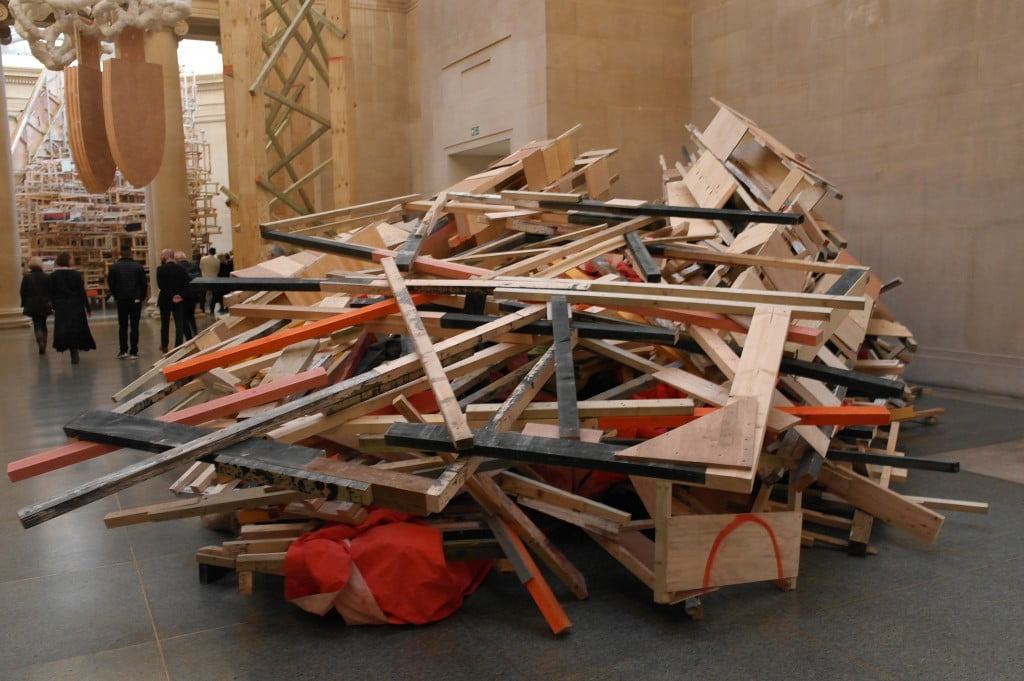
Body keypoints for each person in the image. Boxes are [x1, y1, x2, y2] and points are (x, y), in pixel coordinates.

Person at [50, 252, 96, 364]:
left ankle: (68, 347)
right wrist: (88, 308)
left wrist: (54, 306)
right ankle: (75, 350)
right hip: (76, 305)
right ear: (68, 260)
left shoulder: (54, 276)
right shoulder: (76, 275)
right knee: (76, 328)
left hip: (62, 306)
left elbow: (52, 293)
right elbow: (82, 292)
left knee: (64, 328)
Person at [107, 246, 148, 359]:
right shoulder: (138, 266)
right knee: (135, 325)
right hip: (135, 299)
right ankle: (134, 351)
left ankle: (123, 350)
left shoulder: (114, 267)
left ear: (120, 254)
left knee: (123, 325)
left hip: (122, 299)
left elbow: (111, 283)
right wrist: (142, 297)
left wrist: (116, 295)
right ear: (131, 254)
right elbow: (143, 283)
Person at [156, 248, 190, 353]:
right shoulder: (181, 269)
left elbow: (161, 286)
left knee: (165, 324)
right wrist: (179, 295)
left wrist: (171, 296)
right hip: (179, 300)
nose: (160, 257)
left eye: (161, 255)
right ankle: (177, 347)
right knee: (179, 324)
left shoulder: (160, 269)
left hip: (165, 299)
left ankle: (165, 345)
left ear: (166, 256)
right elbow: (186, 284)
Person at [20, 256, 53, 355]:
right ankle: (45, 341)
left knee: (37, 324)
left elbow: (22, 291)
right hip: (44, 303)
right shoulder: (47, 277)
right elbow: (51, 291)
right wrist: (51, 301)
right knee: (43, 323)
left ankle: (40, 341)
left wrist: (24, 303)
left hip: (32, 304)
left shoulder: (27, 277)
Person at [175, 251, 200, 337]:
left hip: (183, 296)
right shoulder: (194, 266)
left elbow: (178, 283)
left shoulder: (177, 268)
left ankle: (188, 337)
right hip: (193, 294)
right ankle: (195, 332)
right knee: (191, 315)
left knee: (183, 318)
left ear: (177, 259)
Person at [199, 246, 219, 313]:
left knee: (203, 294)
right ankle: (212, 309)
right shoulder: (217, 260)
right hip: (214, 279)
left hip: (204, 278)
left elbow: (200, 267)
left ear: (208, 252)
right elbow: (217, 270)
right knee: (214, 294)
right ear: (215, 253)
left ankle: (202, 308)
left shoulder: (203, 258)